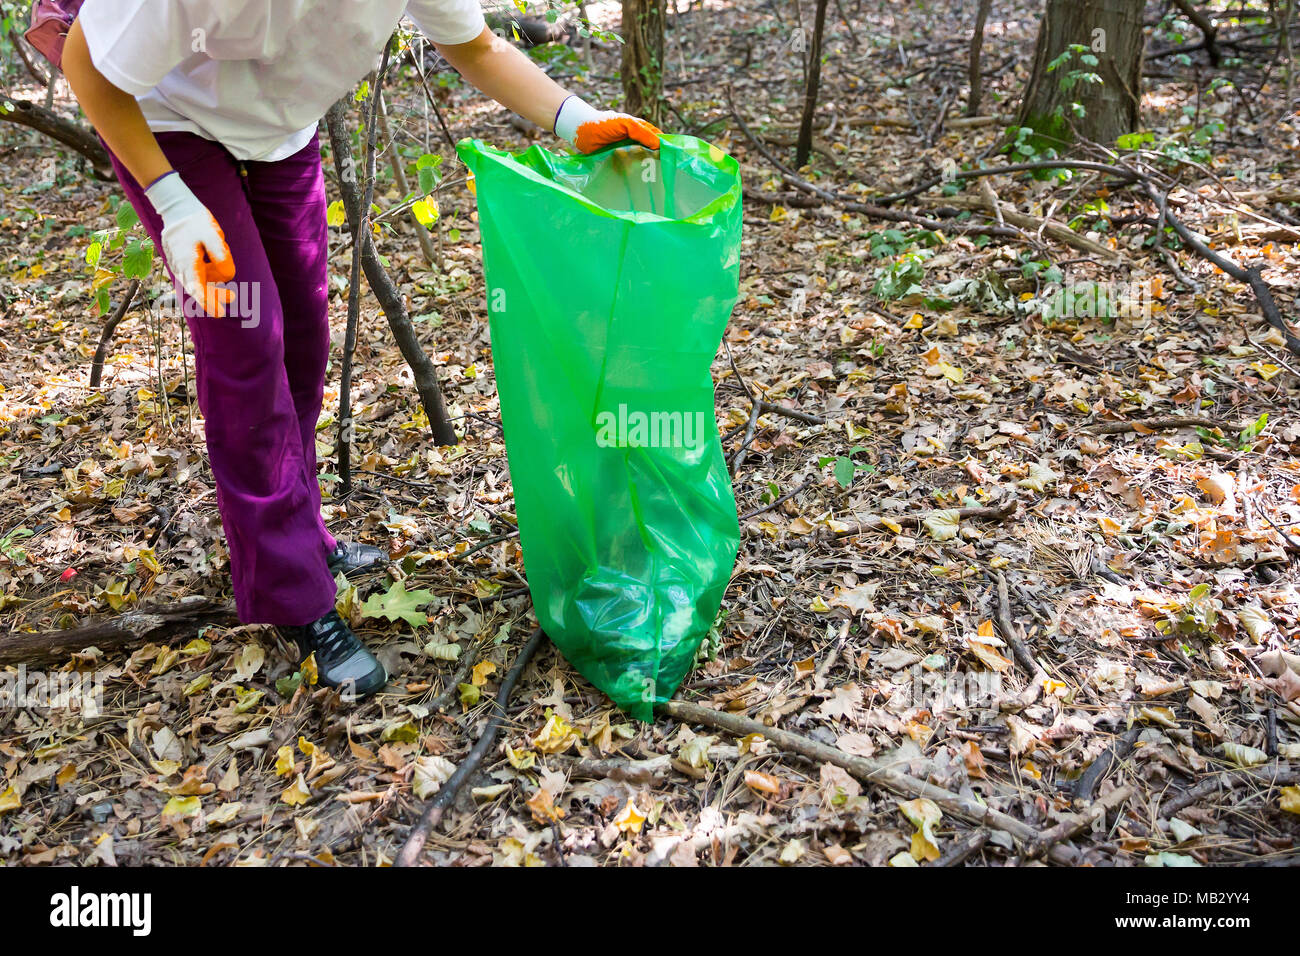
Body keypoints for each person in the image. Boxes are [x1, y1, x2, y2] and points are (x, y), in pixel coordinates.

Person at [62, 0, 661, 698]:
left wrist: (575, 118)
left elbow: (476, 47)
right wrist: (172, 202)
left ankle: (303, 536)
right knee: (246, 344)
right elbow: (87, 64)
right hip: (173, 134)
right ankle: (294, 593)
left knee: (303, 339)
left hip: (281, 138)